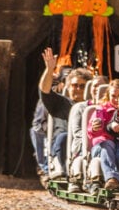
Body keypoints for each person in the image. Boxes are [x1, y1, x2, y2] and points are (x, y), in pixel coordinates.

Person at [38, 49, 91, 180]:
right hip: (63, 143)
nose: (78, 89)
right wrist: (50, 70)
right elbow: (44, 90)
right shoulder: (60, 102)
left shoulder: (92, 106)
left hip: (86, 142)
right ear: (68, 86)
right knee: (64, 137)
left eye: (82, 86)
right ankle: (62, 170)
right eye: (74, 85)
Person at [86, 79, 119, 191]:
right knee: (107, 145)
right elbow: (92, 131)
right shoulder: (101, 110)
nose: (116, 99)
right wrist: (95, 127)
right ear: (108, 95)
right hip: (102, 145)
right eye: (113, 96)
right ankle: (112, 178)